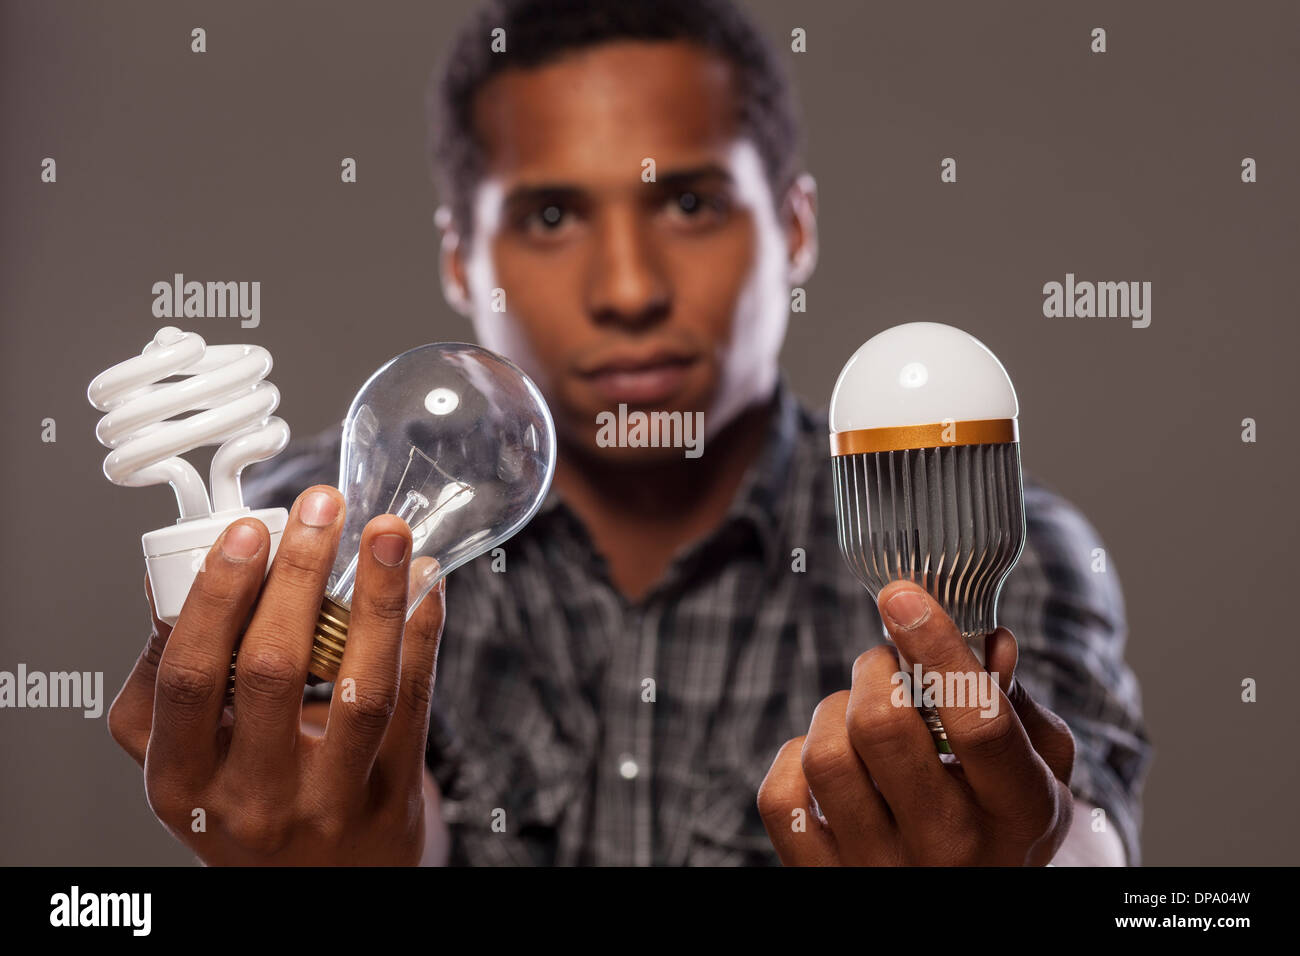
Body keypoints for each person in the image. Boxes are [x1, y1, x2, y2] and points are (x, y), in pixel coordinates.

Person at [108, 0, 1151, 866]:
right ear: (462, 260)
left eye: (689, 202)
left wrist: (1039, 843)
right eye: (552, 218)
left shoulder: (987, 537)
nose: (629, 290)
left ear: (793, 227)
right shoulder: (303, 543)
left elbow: (1091, 845)